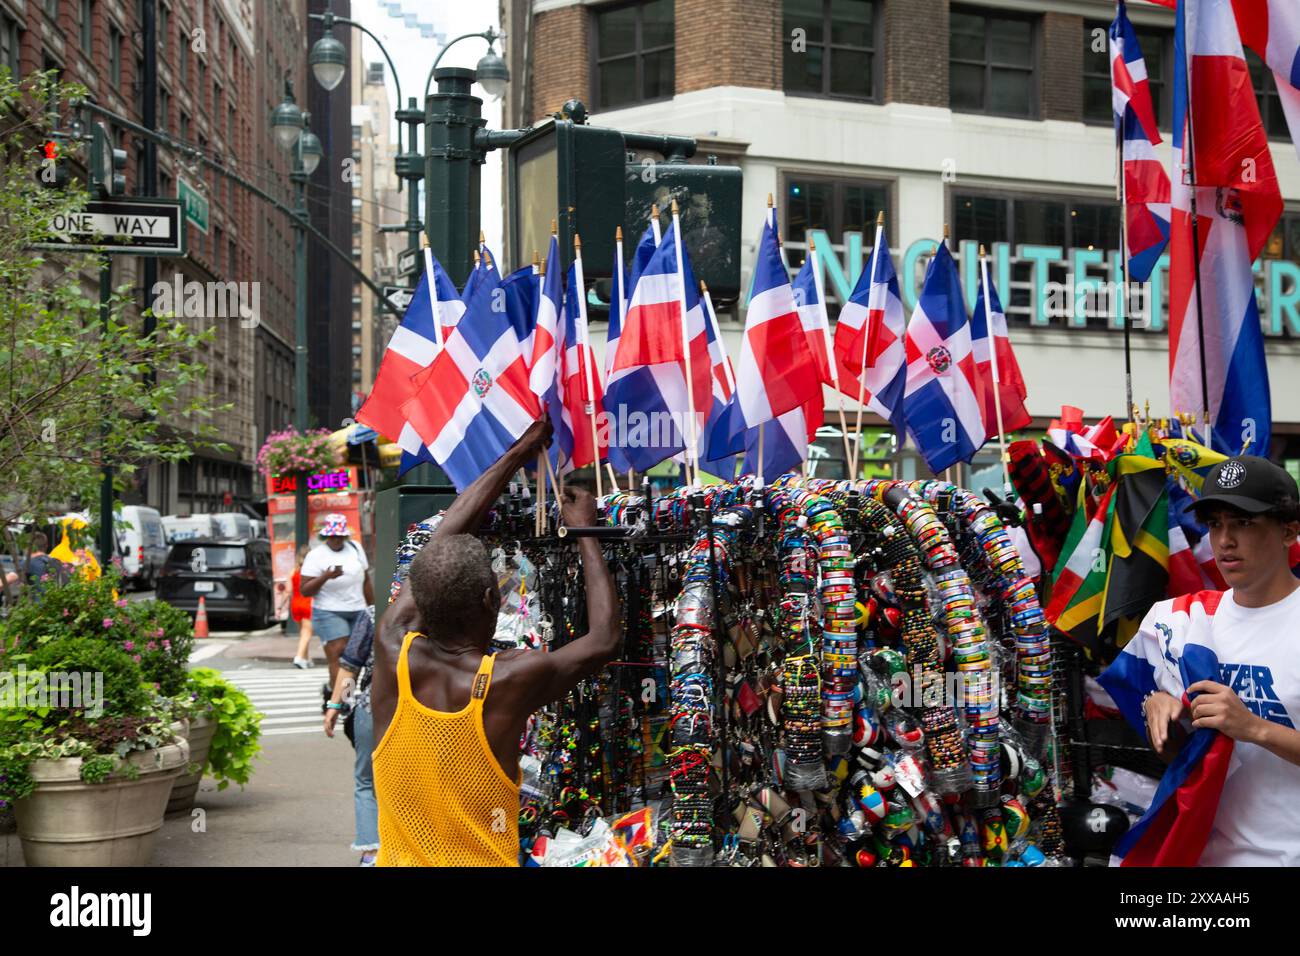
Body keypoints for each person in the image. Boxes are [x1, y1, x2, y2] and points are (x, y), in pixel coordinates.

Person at [370, 421, 621, 867]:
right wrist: (584, 530)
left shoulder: (392, 649)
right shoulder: (509, 677)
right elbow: (604, 639)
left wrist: (514, 455)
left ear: (420, 604)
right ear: (491, 599)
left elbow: (438, 543)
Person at [1140, 454, 1300, 866]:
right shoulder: (1186, 620)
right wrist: (1162, 716)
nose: (1225, 539)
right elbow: (1188, 761)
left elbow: (1243, 729)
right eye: (1215, 524)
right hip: (1205, 857)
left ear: (1289, 531)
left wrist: (1254, 727)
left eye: (1244, 523)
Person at [324, 605, 379, 866]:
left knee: (367, 781)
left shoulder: (373, 613)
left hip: (375, 706)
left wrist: (338, 705)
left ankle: (371, 855)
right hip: (426, 708)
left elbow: (350, 666)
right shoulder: (439, 607)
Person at [299, 514, 374, 692]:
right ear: (325, 536)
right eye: (333, 536)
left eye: (340, 536)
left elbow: (365, 581)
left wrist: (373, 608)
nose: (337, 539)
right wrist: (325, 576)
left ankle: (342, 694)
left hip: (357, 609)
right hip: (328, 611)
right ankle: (340, 701)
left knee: (355, 657)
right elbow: (305, 590)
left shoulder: (355, 548)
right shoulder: (316, 556)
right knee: (340, 652)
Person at [290, 544, 315, 669]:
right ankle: (299, 657)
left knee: (303, 632)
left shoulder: (293, 571)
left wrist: (279, 608)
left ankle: (306, 659)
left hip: (295, 604)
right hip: (307, 603)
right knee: (307, 632)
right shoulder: (310, 571)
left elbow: (288, 590)